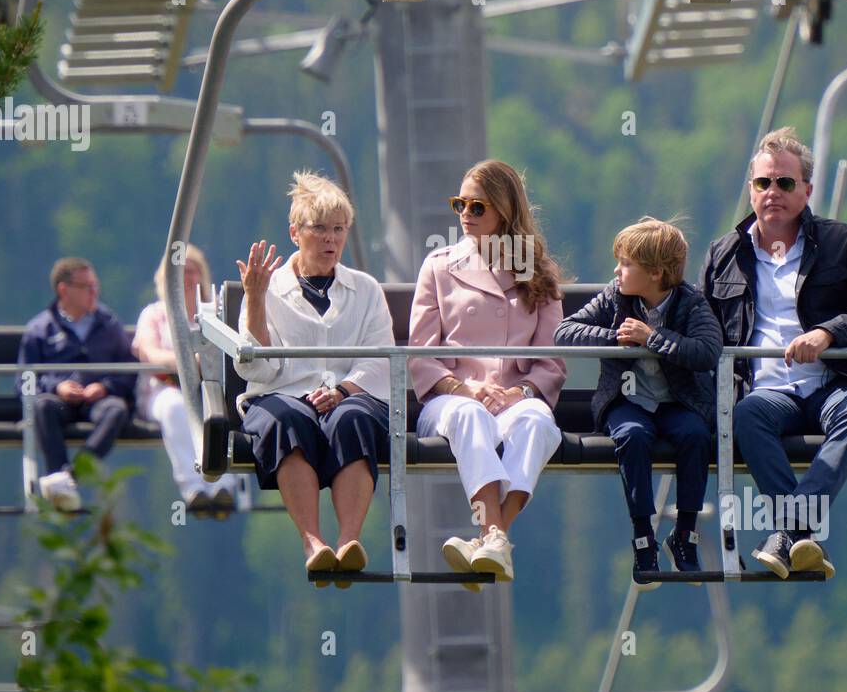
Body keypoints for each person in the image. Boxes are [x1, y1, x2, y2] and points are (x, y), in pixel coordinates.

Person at [700, 128, 847, 579]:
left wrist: (829, 334)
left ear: (806, 191)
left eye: (785, 183)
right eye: (763, 183)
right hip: (769, 394)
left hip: (837, 384)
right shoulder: (723, 256)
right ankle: (800, 536)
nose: (773, 193)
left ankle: (787, 532)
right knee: (746, 415)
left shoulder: (846, 244)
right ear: (751, 189)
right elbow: (704, 329)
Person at [409, 159, 567, 588]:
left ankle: (491, 538)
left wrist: (520, 392)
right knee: (470, 416)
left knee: (537, 421)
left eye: (477, 207)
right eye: (460, 204)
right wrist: (466, 388)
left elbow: (550, 361)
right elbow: (420, 356)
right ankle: (495, 535)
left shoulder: (539, 272)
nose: (465, 214)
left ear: (504, 211)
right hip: (450, 399)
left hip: (515, 399)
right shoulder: (440, 267)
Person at [233, 171, 394, 588]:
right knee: (288, 419)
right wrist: (253, 299)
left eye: (339, 230)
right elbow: (256, 368)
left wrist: (342, 389)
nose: (331, 240)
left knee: (353, 418)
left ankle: (348, 541)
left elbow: (382, 360)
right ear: (295, 232)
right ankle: (312, 542)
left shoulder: (366, 289)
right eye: (320, 228)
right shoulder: (266, 289)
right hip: (283, 396)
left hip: (352, 396)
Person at [555, 217, 721, 588]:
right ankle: (644, 537)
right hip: (626, 398)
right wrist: (616, 338)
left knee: (696, 436)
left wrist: (654, 338)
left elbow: (707, 352)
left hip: (677, 401)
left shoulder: (691, 305)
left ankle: (685, 532)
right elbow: (565, 331)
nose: (617, 270)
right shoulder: (615, 296)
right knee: (633, 436)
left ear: (657, 273)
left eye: (626, 263)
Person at [18, 258, 137, 511]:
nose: (94, 292)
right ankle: (58, 474)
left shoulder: (109, 324)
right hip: (59, 402)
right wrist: (56, 387)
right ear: (64, 290)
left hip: (98, 400)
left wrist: (106, 387)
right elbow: (24, 380)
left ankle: (69, 478)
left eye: (95, 286)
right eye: (86, 287)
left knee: (116, 410)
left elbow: (129, 370)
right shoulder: (39, 330)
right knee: (42, 407)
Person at [132, 244, 244, 516]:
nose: (186, 278)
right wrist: (190, 364)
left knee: (217, 407)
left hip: (210, 387)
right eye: (179, 273)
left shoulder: (214, 313)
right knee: (175, 408)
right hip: (164, 389)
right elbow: (149, 352)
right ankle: (193, 487)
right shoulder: (155, 314)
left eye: (192, 271)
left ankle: (223, 483)